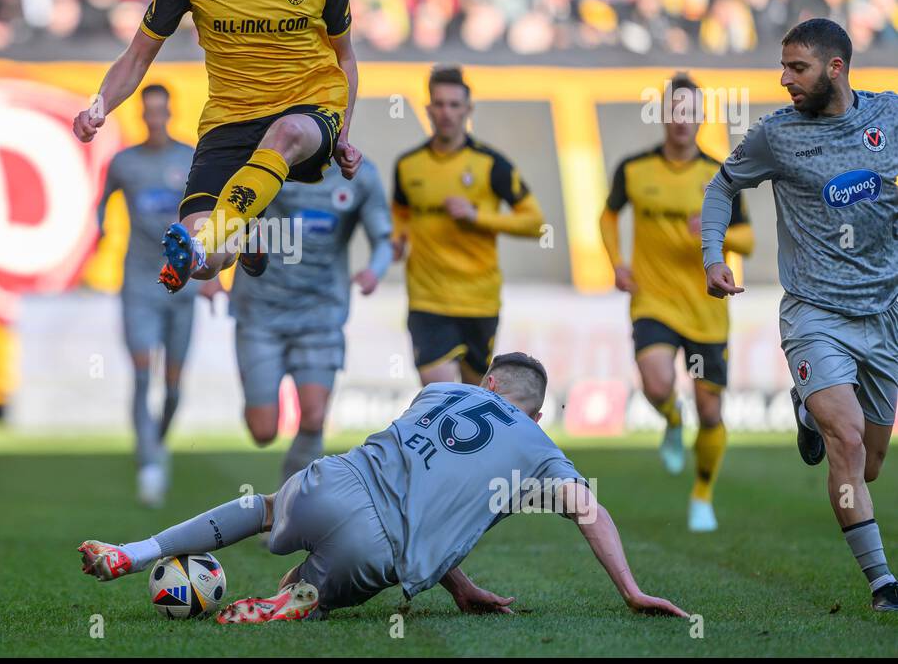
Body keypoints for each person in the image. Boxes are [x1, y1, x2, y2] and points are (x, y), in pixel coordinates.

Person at [79, 352, 687, 624]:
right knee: (310, 582)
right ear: (534, 414)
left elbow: (421, 476)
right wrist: (630, 590)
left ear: (491, 382)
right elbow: (589, 510)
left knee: (265, 507)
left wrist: (463, 583)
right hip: (378, 551)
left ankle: (133, 554)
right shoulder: (536, 448)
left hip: (332, 483)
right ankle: (305, 595)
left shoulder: (441, 392)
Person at [71, 0, 362, 296]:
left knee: (284, 132)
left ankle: (221, 233)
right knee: (204, 263)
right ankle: (238, 236)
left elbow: (346, 59)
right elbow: (137, 56)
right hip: (230, 119)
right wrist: (99, 106)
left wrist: (343, 132)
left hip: (306, 108)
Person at [702, 17, 898, 612]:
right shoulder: (775, 135)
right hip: (816, 311)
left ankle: (804, 414)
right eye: (783, 66)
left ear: (835, 69)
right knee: (846, 440)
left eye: (797, 68)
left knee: (870, 462)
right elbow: (719, 187)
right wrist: (714, 256)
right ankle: (883, 585)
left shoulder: (888, 116)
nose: (784, 79)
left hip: (884, 312)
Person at [600, 72, 754, 531]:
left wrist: (714, 232)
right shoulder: (634, 169)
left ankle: (702, 495)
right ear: (664, 115)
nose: (683, 120)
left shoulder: (720, 175)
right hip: (653, 301)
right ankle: (670, 419)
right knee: (657, 383)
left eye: (691, 112)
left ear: (701, 118)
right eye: (675, 111)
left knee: (710, 412)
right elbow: (608, 216)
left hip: (707, 307)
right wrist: (617, 263)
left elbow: (748, 239)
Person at [200, 158, 392, 487]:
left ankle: (289, 507)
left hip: (321, 314)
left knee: (315, 417)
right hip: (259, 313)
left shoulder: (359, 175)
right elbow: (226, 216)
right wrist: (212, 265)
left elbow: (383, 239)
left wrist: (375, 270)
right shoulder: (267, 163)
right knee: (263, 431)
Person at [392, 65, 545, 386]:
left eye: (454, 105)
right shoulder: (408, 166)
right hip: (427, 299)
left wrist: (478, 217)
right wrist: (396, 239)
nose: (446, 112)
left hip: (478, 300)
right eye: (439, 104)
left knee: (473, 394)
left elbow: (535, 224)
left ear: (468, 109)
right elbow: (400, 213)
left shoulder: (492, 165)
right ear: (428, 109)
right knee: (441, 393)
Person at [95, 84, 196, 507]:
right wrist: (99, 230)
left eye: (161, 110)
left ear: (169, 113)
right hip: (139, 280)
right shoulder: (125, 163)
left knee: (172, 384)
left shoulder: (189, 158)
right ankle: (149, 464)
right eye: (148, 110)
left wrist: (210, 271)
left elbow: (210, 211)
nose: (155, 117)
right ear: (142, 114)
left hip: (181, 281)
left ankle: (158, 441)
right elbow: (102, 203)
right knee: (141, 371)